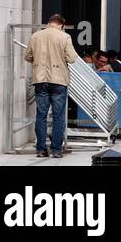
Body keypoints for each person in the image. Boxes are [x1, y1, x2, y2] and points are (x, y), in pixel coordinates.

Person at [24, 13, 78, 158]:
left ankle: (41, 149)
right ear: (61, 25)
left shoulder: (36, 36)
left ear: (49, 23)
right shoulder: (64, 37)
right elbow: (72, 58)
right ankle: (56, 150)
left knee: (41, 115)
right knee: (58, 116)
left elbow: (27, 56)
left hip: (40, 79)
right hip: (59, 80)